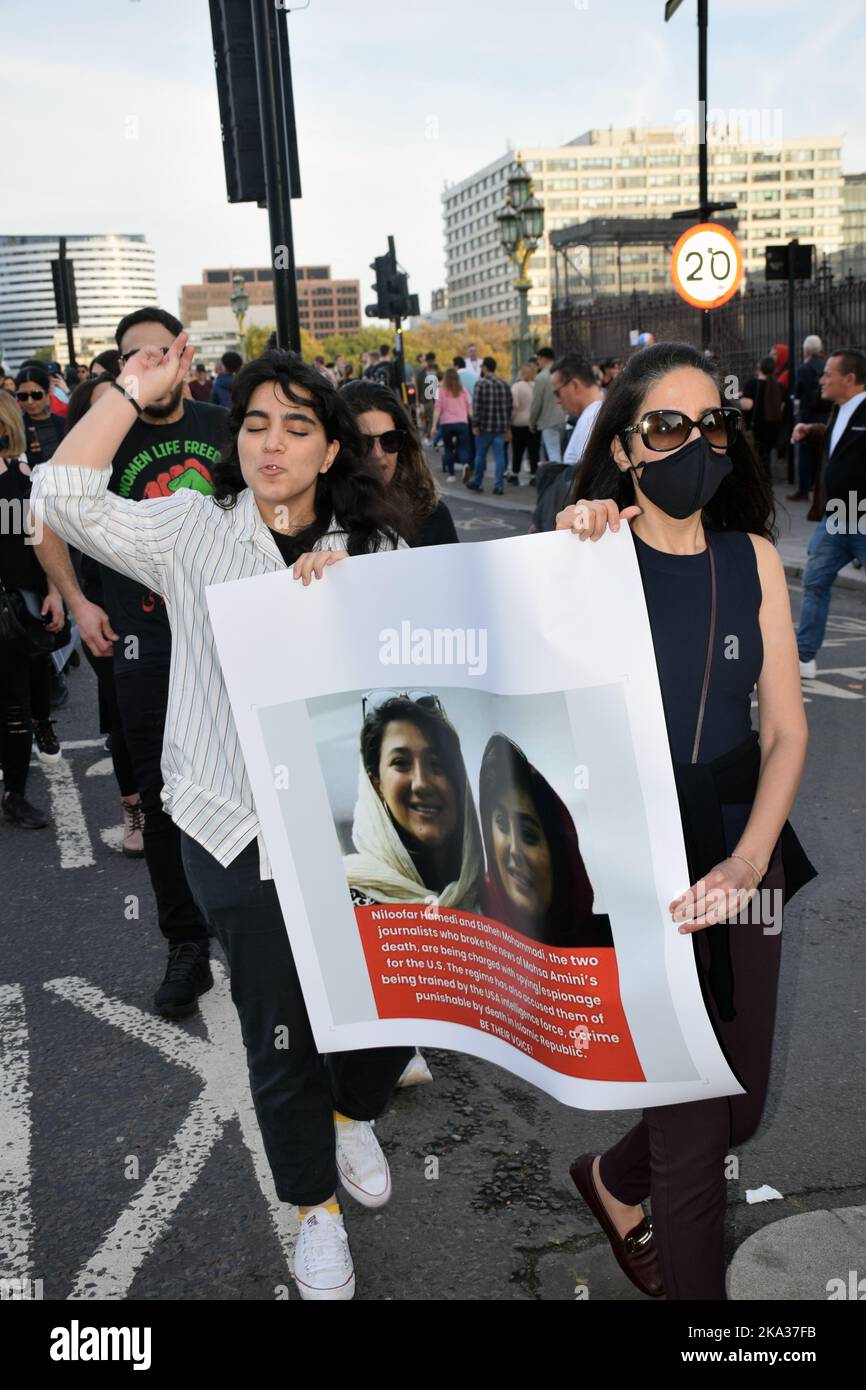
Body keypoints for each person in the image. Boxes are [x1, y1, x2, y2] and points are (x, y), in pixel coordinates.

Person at [30, 337, 414, 1301]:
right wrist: (130, 389)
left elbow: (451, 663)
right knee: (278, 1023)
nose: (271, 443)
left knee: (391, 1009)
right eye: (253, 424)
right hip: (230, 820)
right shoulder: (193, 530)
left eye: (297, 426)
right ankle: (312, 1211)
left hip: (353, 827)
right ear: (234, 441)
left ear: (332, 450)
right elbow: (61, 500)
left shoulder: (377, 552)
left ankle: (353, 1111)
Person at [555, 340, 816, 1301]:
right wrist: (325, 585)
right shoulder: (583, 558)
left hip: (744, 848)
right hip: (636, 864)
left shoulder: (753, 559)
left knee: (739, 1104)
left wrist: (749, 865)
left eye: (713, 423)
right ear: (623, 448)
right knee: (698, 1132)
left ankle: (610, 1182)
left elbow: (786, 731)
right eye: (667, 425)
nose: (696, 442)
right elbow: (464, 648)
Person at [34, 306, 227, 1022]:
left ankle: (283, 940)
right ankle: (186, 946)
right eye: (132, 357)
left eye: (159, 351)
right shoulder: (104, 432)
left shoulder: (223, 427)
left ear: (184, 352)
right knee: (163, 797)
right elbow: (45, 516)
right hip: (146, 641)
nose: (148, 365)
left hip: (230, 636)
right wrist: (78, 601)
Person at [60, 376, 145, 855]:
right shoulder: (74, 466)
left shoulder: (148, 450)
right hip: (106, 605)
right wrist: (75, 602)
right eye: (100, 409)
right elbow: (40, 524)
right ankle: (133, 805)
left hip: (166, 602)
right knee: (121, 707)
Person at [343, 692, 483, 909]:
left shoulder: (490, 898)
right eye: (401, 762)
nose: (421, 783)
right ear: (376, 785)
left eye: (437, 764)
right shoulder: (341, 896)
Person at [478, 734, 613, 948]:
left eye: (528, 835)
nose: (514, 850)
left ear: (560, 856)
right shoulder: (468, 921)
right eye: (502, 824)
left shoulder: (607, 940)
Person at [0, 391, 64, 827]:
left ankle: (17, 790)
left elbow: (41, 540)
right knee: (12, 703)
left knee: (28, 695)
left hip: (20, 603)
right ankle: (16, 792)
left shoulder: (23, 477)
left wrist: (56, 590)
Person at [792, 348, 866, 678]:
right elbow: (840, 445)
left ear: (849, 379)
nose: (821, 379)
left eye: (828, 375)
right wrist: (812, 431)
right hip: (836, 516)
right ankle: (804, 657)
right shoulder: (840, 410)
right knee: (815, 581)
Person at [341, 380, 458, 546]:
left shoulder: (431, 515)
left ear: (404, 445)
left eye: (390, 440)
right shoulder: (316, 517)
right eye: (363, 443)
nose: (378, 454)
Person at [789, 335, 830, 502]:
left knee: (805, 454)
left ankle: (804, 490)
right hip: (826, 416)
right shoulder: (827, 365)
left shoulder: (804, 369)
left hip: (807, 415)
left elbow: (797, 393)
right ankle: (819, 486)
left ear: (806, 350)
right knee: (823, 454)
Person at [468, 357, 512, 495]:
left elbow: (476, 407)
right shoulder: (504, 384)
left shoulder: (480, 384)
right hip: (500, 427)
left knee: (480, 455)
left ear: (485, 368)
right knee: (499, 457)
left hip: (484, 427)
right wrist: (507, 425)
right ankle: (498, 486)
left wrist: (475, 424)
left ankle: (477, 481)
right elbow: (509, 406)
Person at [738, 355, 783, 481]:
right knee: (766, 458)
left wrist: (736, 400)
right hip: (773, 427)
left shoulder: (752, 384)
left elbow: (748, 405)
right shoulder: (778, 386)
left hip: (757, 428)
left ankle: (761, 485)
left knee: (756, 459)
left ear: (759, 368)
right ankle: (767, 482)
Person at [15, 366, 65, 465]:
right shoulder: (15, 427)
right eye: (23, 396)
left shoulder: (64, 423)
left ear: (48, 393)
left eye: (36, 395)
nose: (30, 402)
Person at [430, 367, 472, 481]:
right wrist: (474, 422)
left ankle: (452, 475)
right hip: (462, 423)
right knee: (463, 447)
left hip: (447, 424)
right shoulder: (463, 390)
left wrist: (434, 425)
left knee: (448, 448)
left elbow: (437, 408)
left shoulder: (440, 390)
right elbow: (469, 407)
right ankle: (465, 464)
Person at [529, 346, 566, 463]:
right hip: (565, 419)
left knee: (554, 455)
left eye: (538, 359)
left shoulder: (541, 377)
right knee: (565, 454)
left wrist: (532, 422)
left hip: (549, 421)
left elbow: (536, 403)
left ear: (543, 358)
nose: (537, 362)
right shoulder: (563, 373)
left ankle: (558, 480)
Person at [509, 362, 539, 485]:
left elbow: (514, 405)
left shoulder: (516, 386)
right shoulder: (536, 386)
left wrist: (511, 420)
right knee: (533, 450)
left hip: (518, 423)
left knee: (517, 450)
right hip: (533, 422)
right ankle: (533, 475)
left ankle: (515, 474)